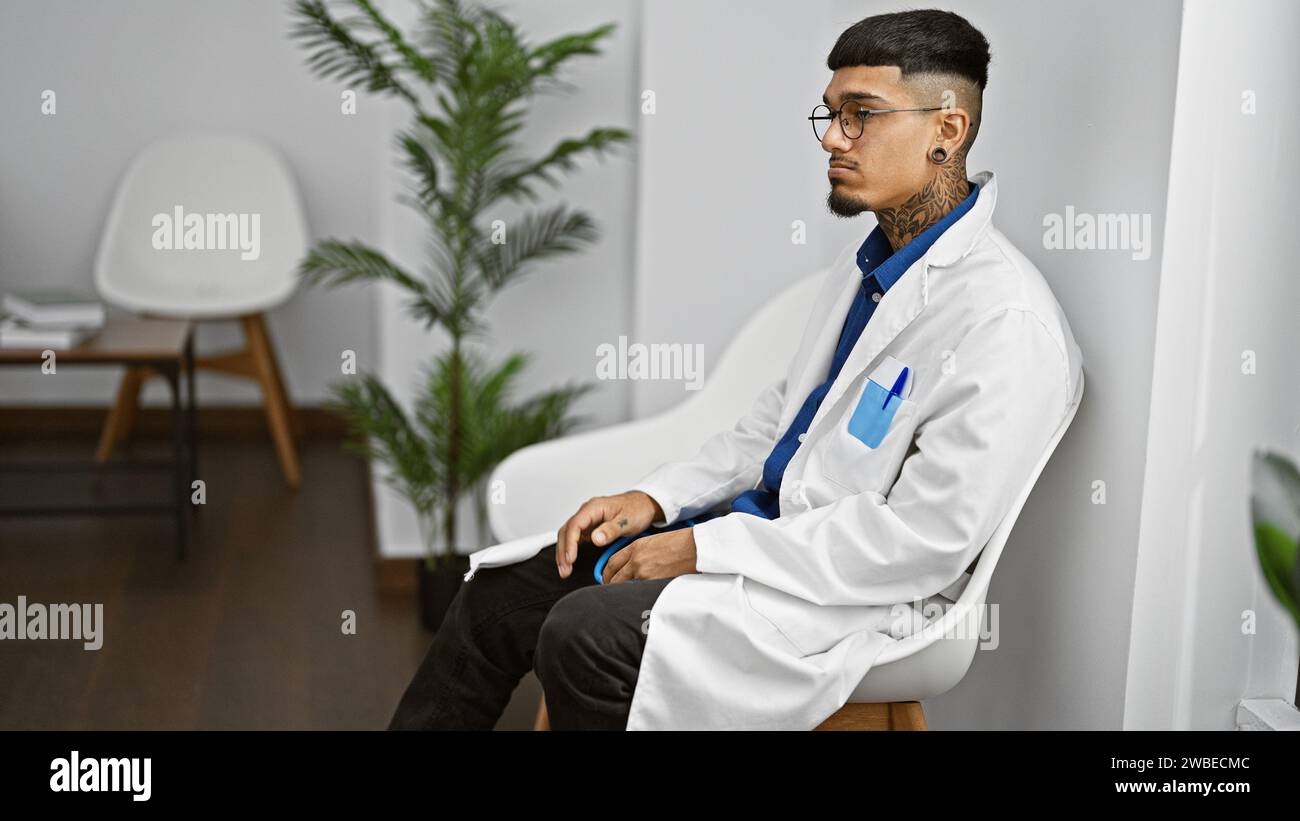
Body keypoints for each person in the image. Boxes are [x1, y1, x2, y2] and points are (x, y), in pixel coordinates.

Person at [389, 7, 1083, 731]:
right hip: (758, 541)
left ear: (947, 129)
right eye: (831, 113)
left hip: (841, 596)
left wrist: (703, 548)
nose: (833, 140)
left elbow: (923, 543)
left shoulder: (1004, 321)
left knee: (585, 634)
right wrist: (657, 499)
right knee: (500, 595)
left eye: (861, 116)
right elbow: (776, 427)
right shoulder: (869, 270)